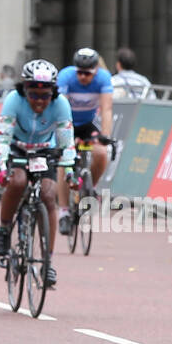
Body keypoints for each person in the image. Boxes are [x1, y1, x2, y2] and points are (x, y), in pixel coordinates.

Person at [0, 59, 76, 288]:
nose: (39, 101)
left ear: (53, 93)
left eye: (45, 96)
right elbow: (2, 139)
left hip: (44, 150)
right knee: (17, 182)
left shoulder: (61, 105)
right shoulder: (13, 101)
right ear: (24, 90)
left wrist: (69, 173)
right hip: (16, 148)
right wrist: (2, 170)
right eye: (33, 95)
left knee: (49, 195)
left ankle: (47, 262)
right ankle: (3, 228)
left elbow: (67, 145)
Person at [55, 48, 113, 234]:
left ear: (95, 70)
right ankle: (63, 211)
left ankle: (90, 188)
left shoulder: (103, 78)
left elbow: (106, 109)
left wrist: (105, 135)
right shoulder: (66, 76)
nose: (83, 77)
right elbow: (59, 108)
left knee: (101, 153)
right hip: (67, 123)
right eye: (79, 72)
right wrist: (65, 137)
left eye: (87, 73)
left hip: (87, 124)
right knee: (65, 162)